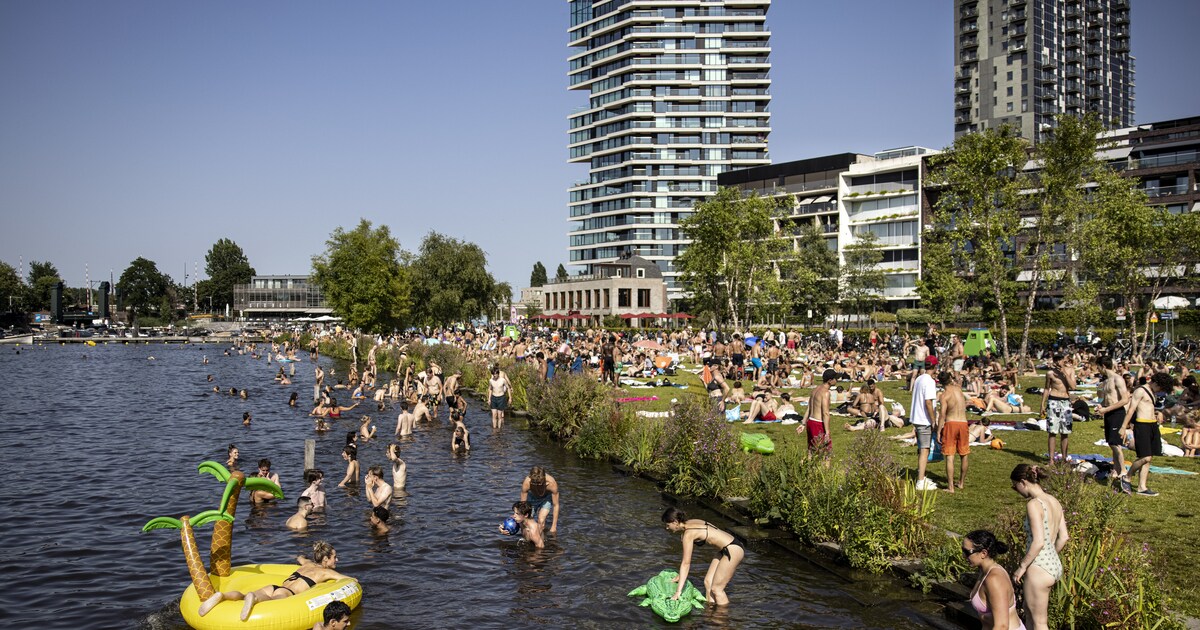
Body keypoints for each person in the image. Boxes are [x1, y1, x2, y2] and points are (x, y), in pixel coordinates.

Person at [198, 541, 353, 622]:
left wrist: (302, 557)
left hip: (274, 586)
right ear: (325, 559)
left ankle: (222, 595)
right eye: (334, 557)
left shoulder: (306, 564)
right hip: (286, 592)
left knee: (243, 595)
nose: (337, 559)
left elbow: (299, 558)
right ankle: (255, 599)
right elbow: (350, 580)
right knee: (270, 601)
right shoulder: (326, 572)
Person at [1010, 464, 1068, 630]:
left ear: (1023, 482)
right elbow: (1064, 537)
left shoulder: (1034, 504)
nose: (1017, 490)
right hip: (1053, 565)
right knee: (1032, 618)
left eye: (1015, 486)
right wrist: (1050, 557)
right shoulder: (1054, 501)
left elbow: (1038, 541)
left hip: (1038, 567)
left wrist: (1022, 567)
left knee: (1038, 622)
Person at [661, 507, 743, 606]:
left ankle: (722, 617)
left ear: (674, 522)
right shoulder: (692, 522)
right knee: (708, 582)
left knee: (717, 589)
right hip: (728, 547)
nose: (667, 528)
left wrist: (678, 592)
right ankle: (710, 612)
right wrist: (680, 576)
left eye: (667, 525)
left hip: (733, 550)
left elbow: (686, 563)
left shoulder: (688, 534)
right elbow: (715, 529)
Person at [1119, 371, 1173, 496]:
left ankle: (1142, 487)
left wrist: (1159, 413)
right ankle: (1127, 476)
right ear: (1156, 382)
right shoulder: (1140, 391)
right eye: (1160, 387)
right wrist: (1123, 427)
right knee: (1145, 457)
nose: (1160, 390)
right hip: (1142, 425)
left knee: (1149, 457)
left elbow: (1149, 407)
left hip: (1152, 425)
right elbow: (1131, 410)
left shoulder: (1153, 392)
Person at [962, 530, 1025, 630]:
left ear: (983, 553)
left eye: (967, 552)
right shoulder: (984, 572)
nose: (963, 556)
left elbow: (1002, 626)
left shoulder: (994, 579)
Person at [1096, 355, 1132, 492]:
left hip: (1117, 413)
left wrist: (1106, 409)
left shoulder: (1118, 379)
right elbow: (1107, 399)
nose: (1098, 370)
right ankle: (1116, 470)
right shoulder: (1106, 381)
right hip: (1109, 413)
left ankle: (1123, 471)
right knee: (1111, 443)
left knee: (1116, 443)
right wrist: (1101, 407)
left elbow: (1124, 400)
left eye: (1098, 367)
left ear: (1103, 366)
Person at [1040, 354, 1077, 463]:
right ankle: (1051, 460)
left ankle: (1065, 458)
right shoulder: (1050, 373)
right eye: (1056, 360)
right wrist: (1042, 404)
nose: (1058, 362)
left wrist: (1064, 373)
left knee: (1065, 432)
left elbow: (1073, 386)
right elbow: (1047, 388)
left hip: (1065, 402)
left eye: (1060, 360)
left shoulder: (1070, 370)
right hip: (1053, 401)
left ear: (1064, 360)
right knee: (1052, 431)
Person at [938, 372, 970, 493]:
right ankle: (961, 482)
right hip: (963, 422)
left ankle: (951, 487)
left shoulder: (944, 395)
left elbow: (942, 415)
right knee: (964, 454)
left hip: (951, 423)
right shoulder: (958, 390)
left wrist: (938, 431)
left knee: (950, 456)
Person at [910, 358, 939, 490]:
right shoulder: (929, 381)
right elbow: (928, 402)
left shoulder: (919, 379)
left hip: (916, 417)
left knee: (922, 447)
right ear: (935, 366)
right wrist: (933, 421)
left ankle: (921, 474)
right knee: (925, 449)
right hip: (924, 419)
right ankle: (920, 481)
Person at [800, 369, 837, 454]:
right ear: (830, 381)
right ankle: (825, 467)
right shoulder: (825, 393)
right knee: (826, 452)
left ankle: (807, 466)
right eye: (835, 378)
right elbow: (825, 413)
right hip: (818, 423)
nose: (837, 380)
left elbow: (809, 408)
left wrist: (803, 423)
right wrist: (827, 432)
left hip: (810, 421)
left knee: (811, 449)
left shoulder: (815, 389)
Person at [519, 466, 560, 534]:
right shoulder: (527, 482)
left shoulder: (551, 483)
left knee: (541, 520)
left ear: (544, 478)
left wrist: (554, 526)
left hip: (546, 498)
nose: (537, 486)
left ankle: (540, 540)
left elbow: (556, 505)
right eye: (534, 484)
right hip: (532, 498)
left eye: (540, 483)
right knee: (526, 521)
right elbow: (523, 504)